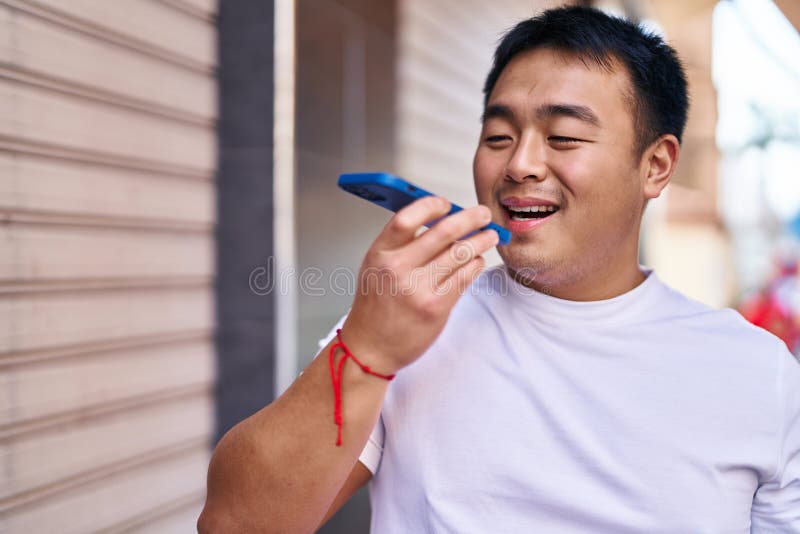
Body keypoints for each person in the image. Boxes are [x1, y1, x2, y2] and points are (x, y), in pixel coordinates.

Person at [198, 6, 800, 532]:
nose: (520, 164)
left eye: (563, 136)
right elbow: (235, 525)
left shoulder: (759, 374)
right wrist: (369, 347)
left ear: (657, 166)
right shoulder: (406, 330)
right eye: (497, 135)